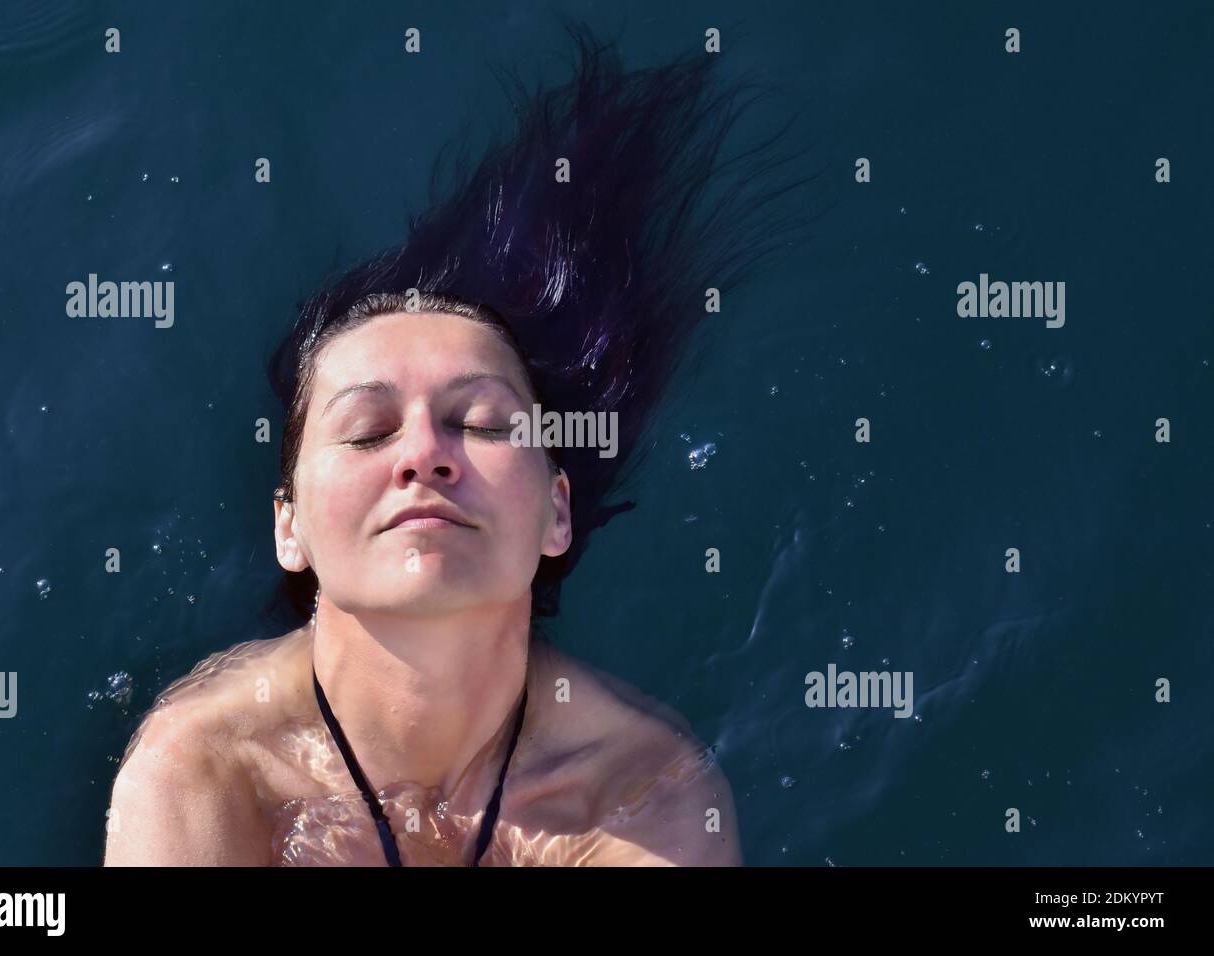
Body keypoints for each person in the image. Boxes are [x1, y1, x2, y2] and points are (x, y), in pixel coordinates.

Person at [104, 19, 808, 866]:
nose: (423, 456)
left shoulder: (641, 792)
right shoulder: (205, 769)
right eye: (366, 431)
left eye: (480, 423)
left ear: (557, 510)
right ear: (287, 528)